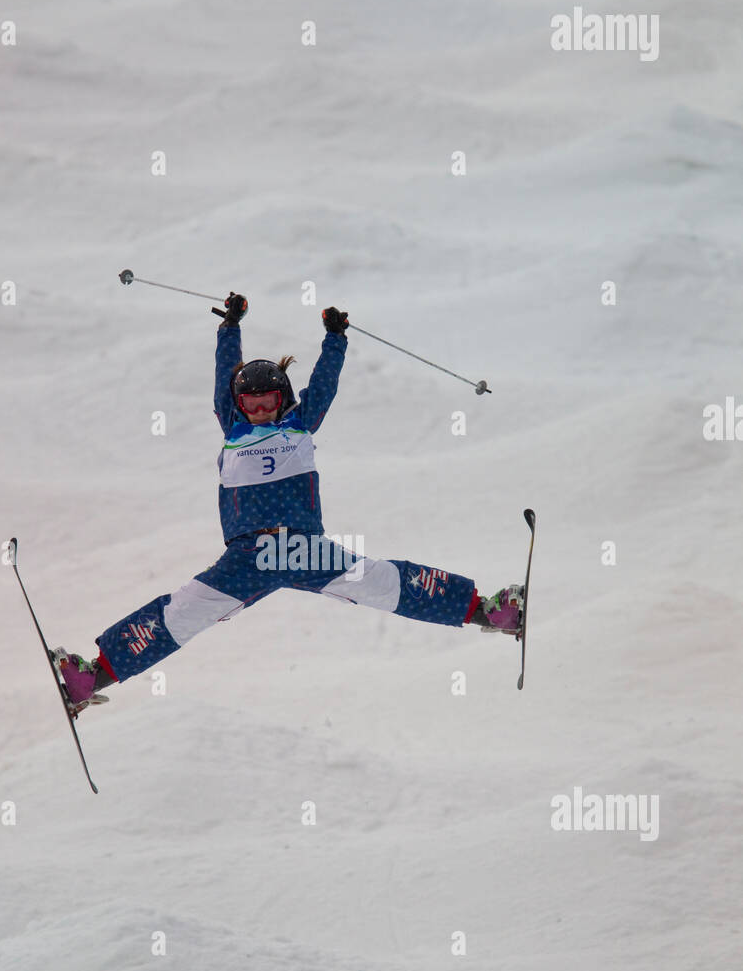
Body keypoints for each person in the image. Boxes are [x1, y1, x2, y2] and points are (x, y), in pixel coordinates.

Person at [58, 293, 523, 707]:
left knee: (381, 581)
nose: (259, 411)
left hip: (300, 547)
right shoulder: (233, 428)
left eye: (269, 402)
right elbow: (225, 380)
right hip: (247, 556)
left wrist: (335, 339)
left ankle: (488, 611)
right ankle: (92, 677)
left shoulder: (300, 425)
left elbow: (323, 387)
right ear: (239, 407)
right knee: (183, 612)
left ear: (284, 399)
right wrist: (229, 328)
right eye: (251, 405)